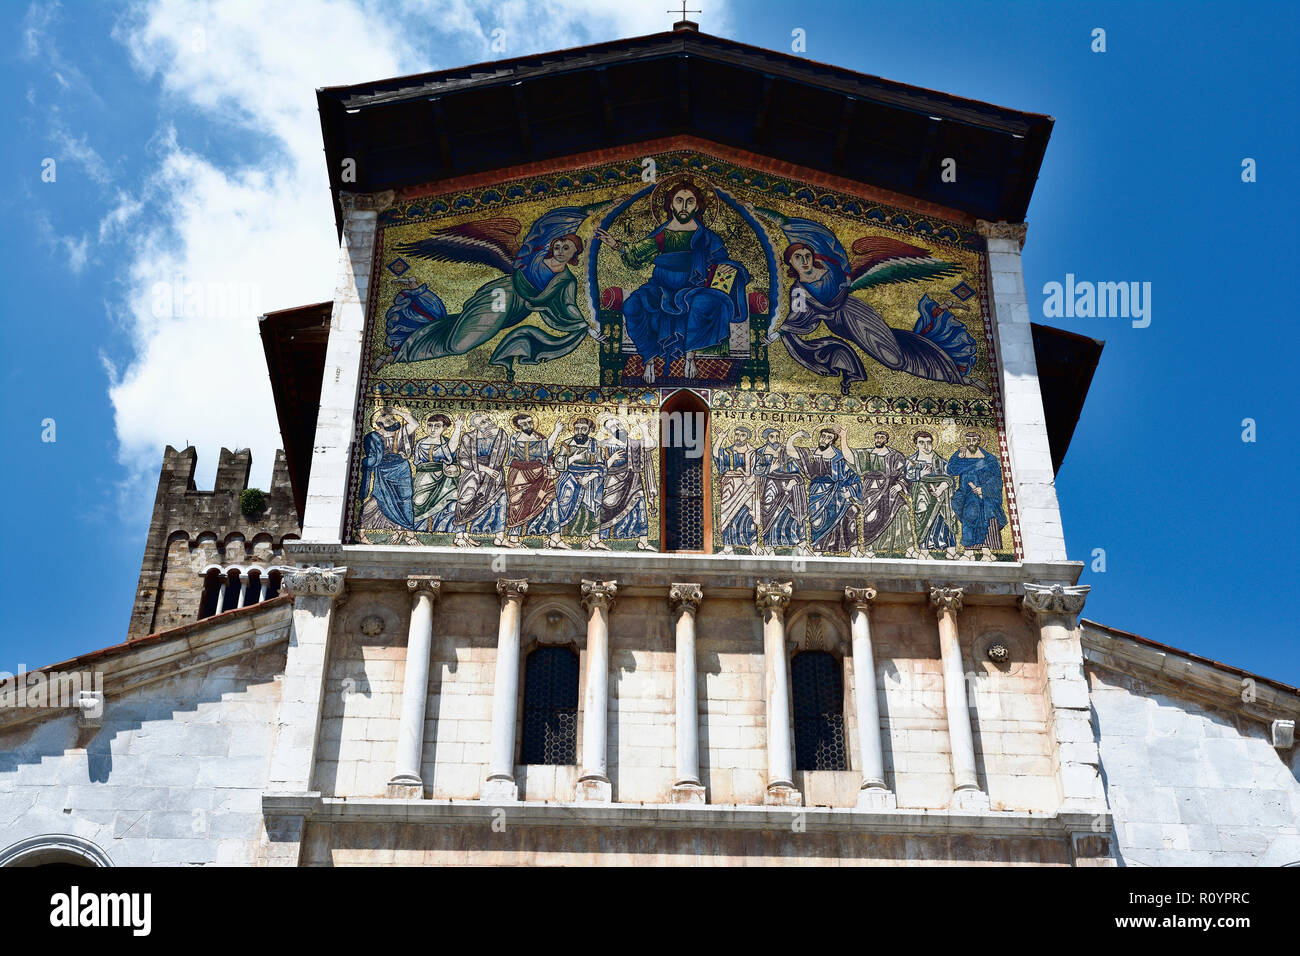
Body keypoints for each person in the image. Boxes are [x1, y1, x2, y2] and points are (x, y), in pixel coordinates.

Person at [376, 208, 606, 377]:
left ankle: (416, 311)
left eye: (567, 248)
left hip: (516, 311)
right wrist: (591, 209)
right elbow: (548, 227)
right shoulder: (533, 257)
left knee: (458, 330)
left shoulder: (566, 280)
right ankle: (399, 354)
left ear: (575, 254)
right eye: (557, 246)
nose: (560, 250)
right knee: (461, 344)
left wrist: (586, 329)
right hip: (501, 297)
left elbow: (567, 307)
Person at [596, 178, 749, 383]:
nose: (684, 206)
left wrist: (731, 267)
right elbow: (638, 253)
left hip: (694, 287)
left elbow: (722, 260)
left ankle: (690, 358)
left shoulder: (706, 237)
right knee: (632, 305)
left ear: (697, 206)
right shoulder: (663, 234)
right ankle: (649, 359)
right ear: (670, 204)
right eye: (679, 200)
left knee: (706, 303)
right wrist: (617, 245)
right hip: (660, 287)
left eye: (690, 201)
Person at [788, 425, 862, 555]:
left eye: (829, 438)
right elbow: (790, 451)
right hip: (815, 492)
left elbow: (852, 471)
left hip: (836, 492)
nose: (824, 439)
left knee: (846, 515)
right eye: (823, 436)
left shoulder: (839, 456)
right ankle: (818, 549)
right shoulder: (810, 453)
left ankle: (852, 550)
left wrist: (849, 490)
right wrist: (795, 435)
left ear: (833, 441)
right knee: (816, 521)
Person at [357, 406, 420, 546]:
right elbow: (372, 457)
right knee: (377, 499)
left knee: (405, 500)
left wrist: (398, 412)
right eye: (387, 419)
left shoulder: (401, 432)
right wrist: (371, 461)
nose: (392, 420)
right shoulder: (372, 437)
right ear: (378, 423)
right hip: (383, 472)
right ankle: (360, 533)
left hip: (402, 471)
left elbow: (415, 424)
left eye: (392, 418)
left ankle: (409, 534)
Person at [504, 413, 566, 549]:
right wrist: (556, 431)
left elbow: (549, 454)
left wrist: (552, 468)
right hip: (519, 475)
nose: (529, 425)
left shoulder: (540, 437)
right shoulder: (514, 439)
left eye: (530, 422)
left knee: (551, 501)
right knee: (517, 505)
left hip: (540, 474)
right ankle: (513, 538)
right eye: (524, 423)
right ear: (518, 426)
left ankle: (555, 538)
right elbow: (545, 448)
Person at [854, 431, 916, 558]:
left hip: (890, 489)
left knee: (902, 509)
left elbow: (904, 474)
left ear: (886, 440)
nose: (878, 439)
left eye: (882, 437)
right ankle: (869, 547)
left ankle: (908, 547)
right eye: (876, 437)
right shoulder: (867, 454)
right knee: (869, 515)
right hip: (870, 490)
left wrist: (900, 485)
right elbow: (852, 461)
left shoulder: (895, 455)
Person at [598, 417, 657, 550]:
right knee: (606, 509)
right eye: (613, 426)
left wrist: (644, 429)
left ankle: (643, 541)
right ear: (607, 430)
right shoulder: (602, 444)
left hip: (632, 480)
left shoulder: (632, 443)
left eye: (619, 423)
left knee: (639, 505)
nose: (617, 427)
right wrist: (612, 459)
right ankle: (601, 538)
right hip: (610, 482)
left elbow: (650, 445)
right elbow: (597, 466)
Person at [948, 430, 1007, 561]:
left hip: (986, 497)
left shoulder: (989, 459)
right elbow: (951, 470)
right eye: (968, 440)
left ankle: (987, 552)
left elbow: (997, 479)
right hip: (967, 495)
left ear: (979, 441)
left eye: (974, 440)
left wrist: (984, 489)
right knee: (969, 515)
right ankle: (969, 552)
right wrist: (959, 456)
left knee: (989, 517)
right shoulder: (962, 456)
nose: (971, 443)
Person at [453, 413, 510, 547]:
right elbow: (463, 460)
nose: (488, 422)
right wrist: (485, 469)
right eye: (483, 422)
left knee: (500, 501)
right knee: (465, 501)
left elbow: (501, 456)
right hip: (473, 473)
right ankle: (460, 536)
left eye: (488, 419)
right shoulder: (469, 437)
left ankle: (500, 537)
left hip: (495, 473)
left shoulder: (501, 434)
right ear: (476, 426)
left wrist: (492, 471)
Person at [553, 418, 606, 550]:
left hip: (590, 480)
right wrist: (573, 458)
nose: (579, 432)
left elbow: (601, 466)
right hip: (568, 479)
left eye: (583, 429)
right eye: (577, 428)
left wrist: (588, 478)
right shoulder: (566, 444)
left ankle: (593, 540)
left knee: (592, 508)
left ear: (590, 430)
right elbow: (558, 463)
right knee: (563, 505)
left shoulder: (596, 445)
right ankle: (557, 538)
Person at [903, 430, 957, 556]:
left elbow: (949, 478)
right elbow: (906, 476)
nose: (926, 446)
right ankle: (924, 551)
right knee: (923, 521)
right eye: (921, 442)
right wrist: (919, 475)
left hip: (941, 497)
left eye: (928, 442)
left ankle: (950, 550)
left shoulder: (940, 461)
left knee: (944, 520)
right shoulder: (911, 461)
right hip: (922, 497)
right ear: (916, 444)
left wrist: (940, 489)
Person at [412, 413, 463, 533]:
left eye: (437, 426)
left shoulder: (447, 443)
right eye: (430, 425)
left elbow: (452, 453)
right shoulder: (420, 443)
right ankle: (421, 530)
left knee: (453, 500)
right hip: (424, 479)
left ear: (444, 428)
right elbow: (417, 463)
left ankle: (443, 529)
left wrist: (458, 428)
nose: (433, 429)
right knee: (418, 502)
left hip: (444, 479)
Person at [713, 426, 759, 553]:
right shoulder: (729, 451)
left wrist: (751, 478)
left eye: (742, 435)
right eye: (737, 434)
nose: (739, 437)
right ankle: (728, 547)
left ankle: (752, 545)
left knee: (746, 515)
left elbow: (759, 470)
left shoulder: (753, 453)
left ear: (748, 437)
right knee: (729, 517)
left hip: (746, 488)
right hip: (730, 488)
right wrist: (720, 439)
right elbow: (716, 454)